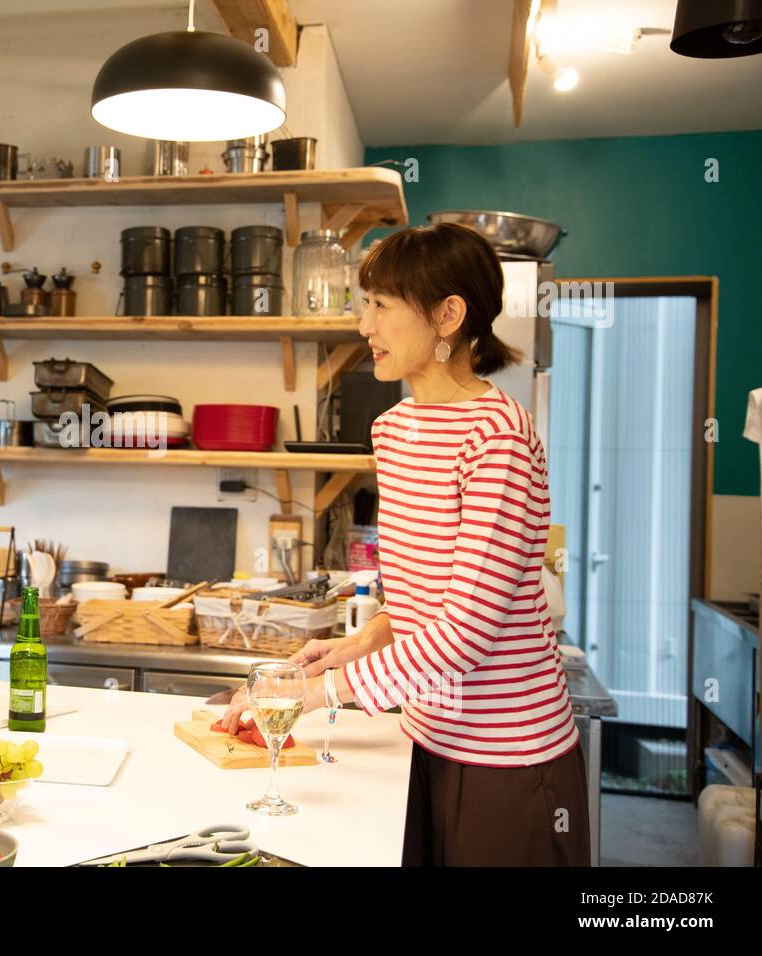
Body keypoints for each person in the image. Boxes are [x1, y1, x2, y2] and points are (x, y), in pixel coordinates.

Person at [225, 223, 589, 866]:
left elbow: (468, 631)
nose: (364, 324)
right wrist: (358, 642)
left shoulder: (497, 437)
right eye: (366, 304)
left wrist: (301, 698)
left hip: (506, 759)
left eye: (382, 305)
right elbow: (426, 595)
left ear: (448, 314)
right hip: (422, 740)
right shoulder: (394, 430)